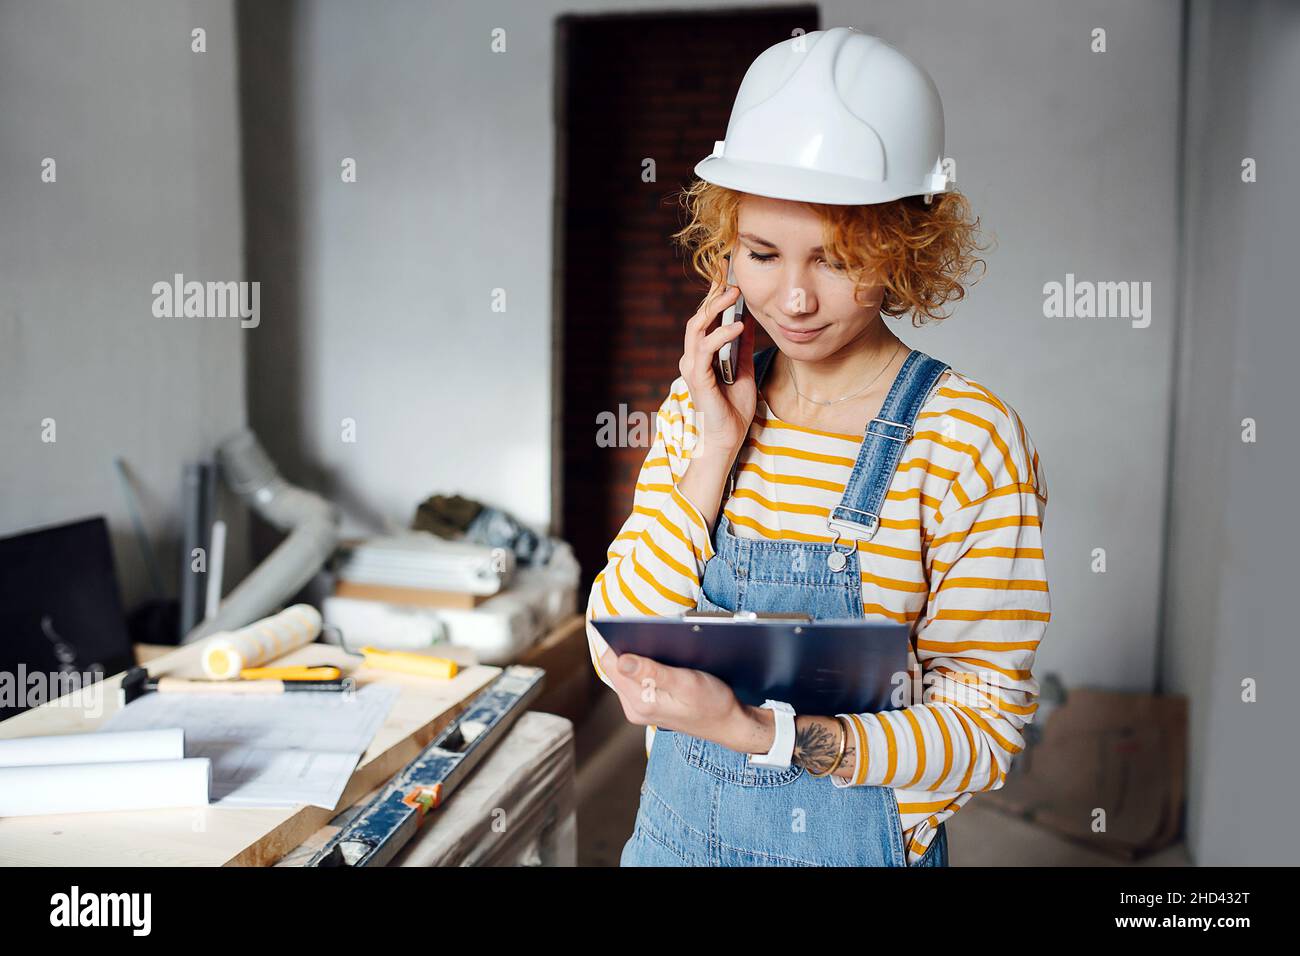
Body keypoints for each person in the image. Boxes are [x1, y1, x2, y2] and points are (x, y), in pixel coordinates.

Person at [585, 27, 1050, 867]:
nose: (792, 299)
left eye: (836, 260)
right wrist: (713, 451)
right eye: (761, 253)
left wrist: (760, 732)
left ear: (906, 248)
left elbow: (984, 720)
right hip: (669, 843)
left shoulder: (969, 439)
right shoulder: (704, 410)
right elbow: (614, 643)